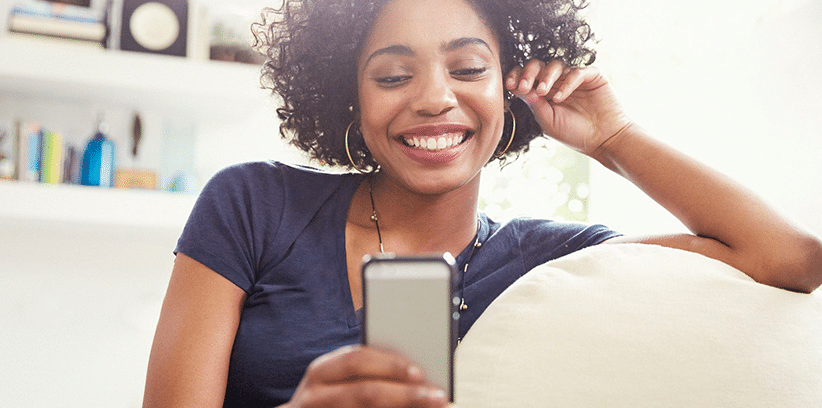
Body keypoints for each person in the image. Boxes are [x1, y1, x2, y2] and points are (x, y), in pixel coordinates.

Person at [142, 0, 822, 406]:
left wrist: (615, 137)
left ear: (509, 90)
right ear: (349, 94)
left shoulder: (550, 263)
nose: (435, 97)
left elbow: (790, 257)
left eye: (468, 68)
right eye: (393, 74)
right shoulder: (254, 205)